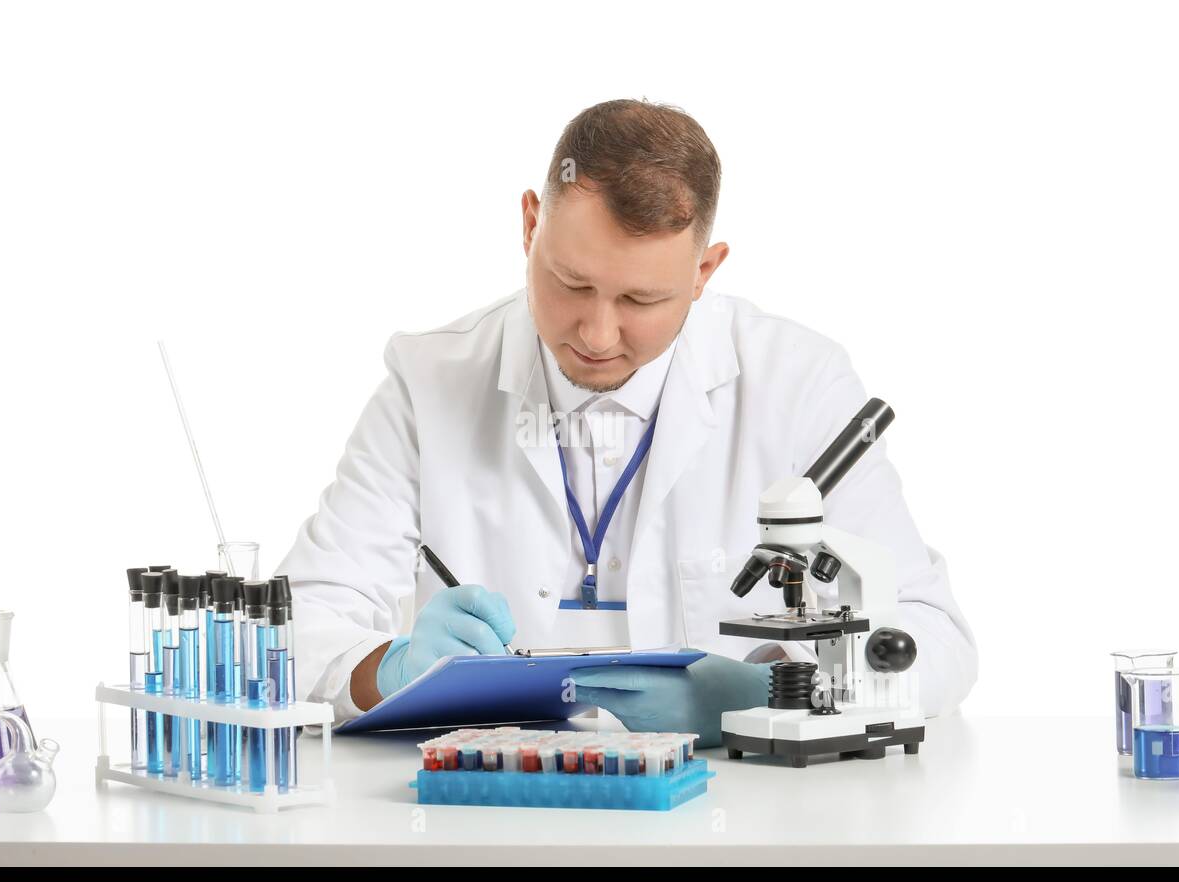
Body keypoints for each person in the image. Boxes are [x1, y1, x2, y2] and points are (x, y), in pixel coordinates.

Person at [277, 99, 976, 744]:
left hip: (738, 816)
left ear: (705, 271)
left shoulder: (797, 384)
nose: (599, 332)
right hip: (492, 813)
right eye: (572, 282)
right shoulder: (428, 381)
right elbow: (296, 629)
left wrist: (773, 693)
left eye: (642, 298)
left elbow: (934, 639)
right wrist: (391, 669)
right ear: (529, 226)